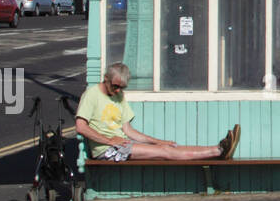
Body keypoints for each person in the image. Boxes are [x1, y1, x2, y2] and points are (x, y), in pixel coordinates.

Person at [76, 62, 239, 161]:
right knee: (165, 153)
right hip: (106, 150)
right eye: (115, 86)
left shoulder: (119, 97)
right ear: (106, 79)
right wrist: (109, 141)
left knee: (171, 147)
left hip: (122, 144)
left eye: (122, 87)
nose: (118, 90)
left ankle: (218, 148)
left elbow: (128, 131)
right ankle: (218, 151)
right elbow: (81, 127)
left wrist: (158, 141)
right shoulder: (92, 94)